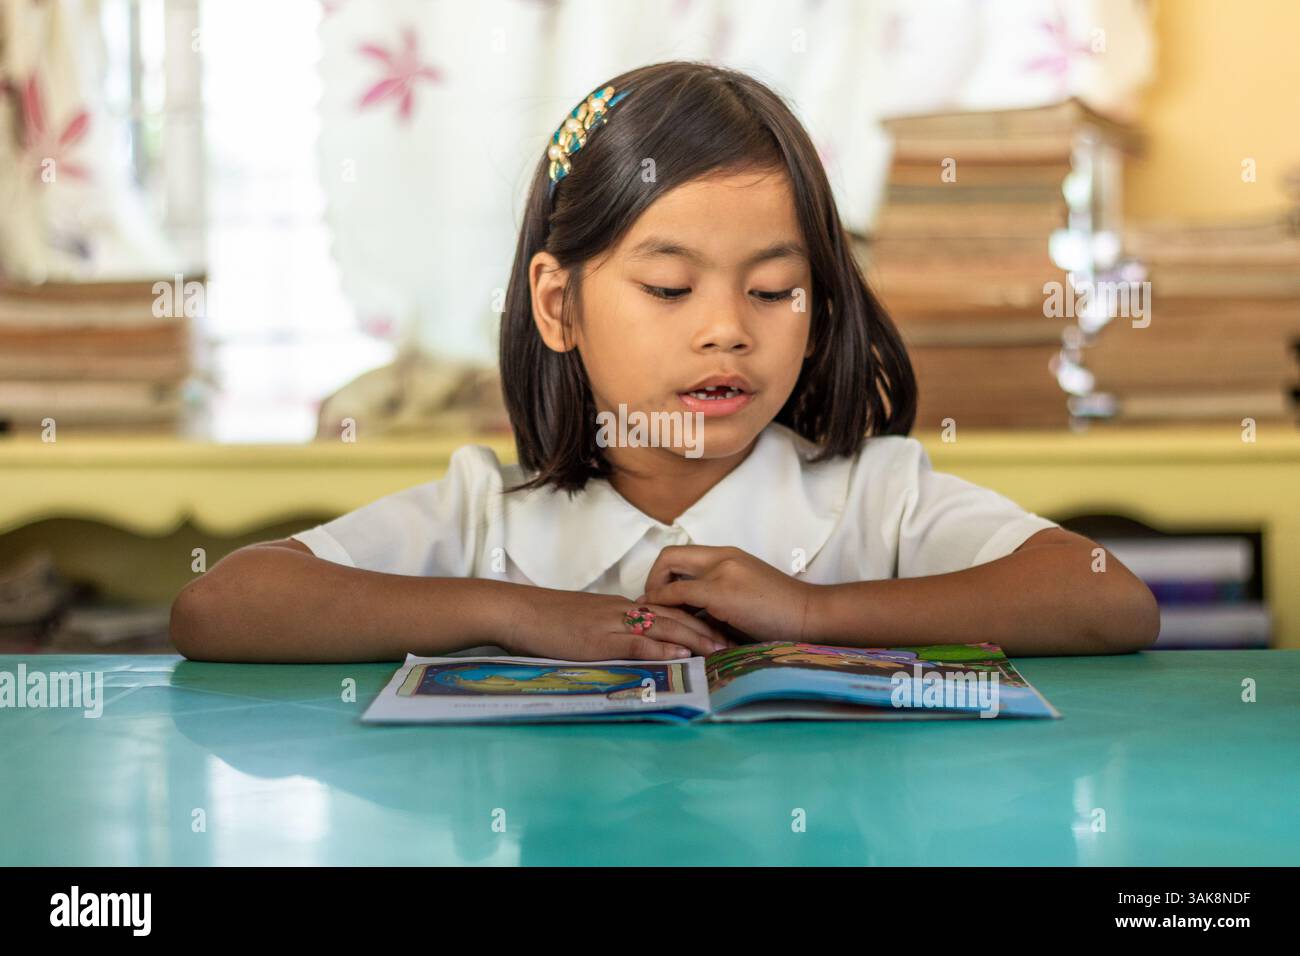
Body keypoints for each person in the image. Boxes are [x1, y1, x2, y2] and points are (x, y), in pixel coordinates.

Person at [171, 61, 1159, 664]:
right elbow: (220, 605)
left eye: (772, 290)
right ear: (559, 304)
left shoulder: (878, 497)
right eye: (670, 287)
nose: (727, 330)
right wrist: (515, 613)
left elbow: (1106, 596)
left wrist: (813, 609)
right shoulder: (486, 514)